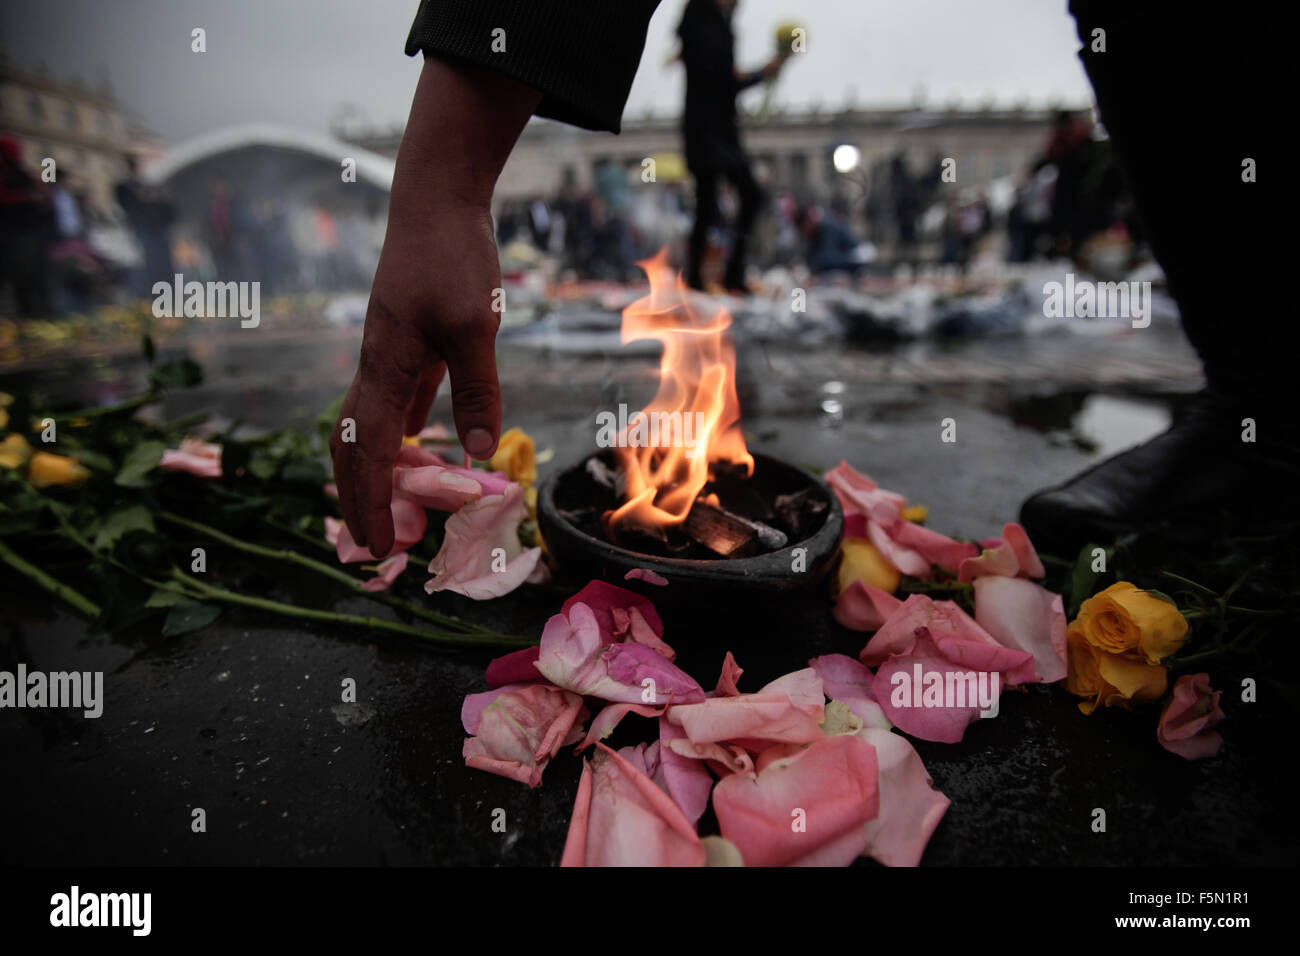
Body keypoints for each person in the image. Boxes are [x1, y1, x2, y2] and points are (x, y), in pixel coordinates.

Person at [334, 1, 1282, 560]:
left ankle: (1260, 402)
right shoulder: (703, 20)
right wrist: (447, 186)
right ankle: (1258, 399)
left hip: (722, 140)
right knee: (727, 207)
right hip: (711, 143)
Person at [678, 0, 787, 293]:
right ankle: (717, 277)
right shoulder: (705, 25)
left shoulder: (708, 23)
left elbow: (720, 78)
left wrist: (757, 75)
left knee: (710, 205)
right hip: (710, 131)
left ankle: (705, 278)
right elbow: (721, 82)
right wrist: (760, 75)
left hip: (713, 129)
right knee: (732, 199)